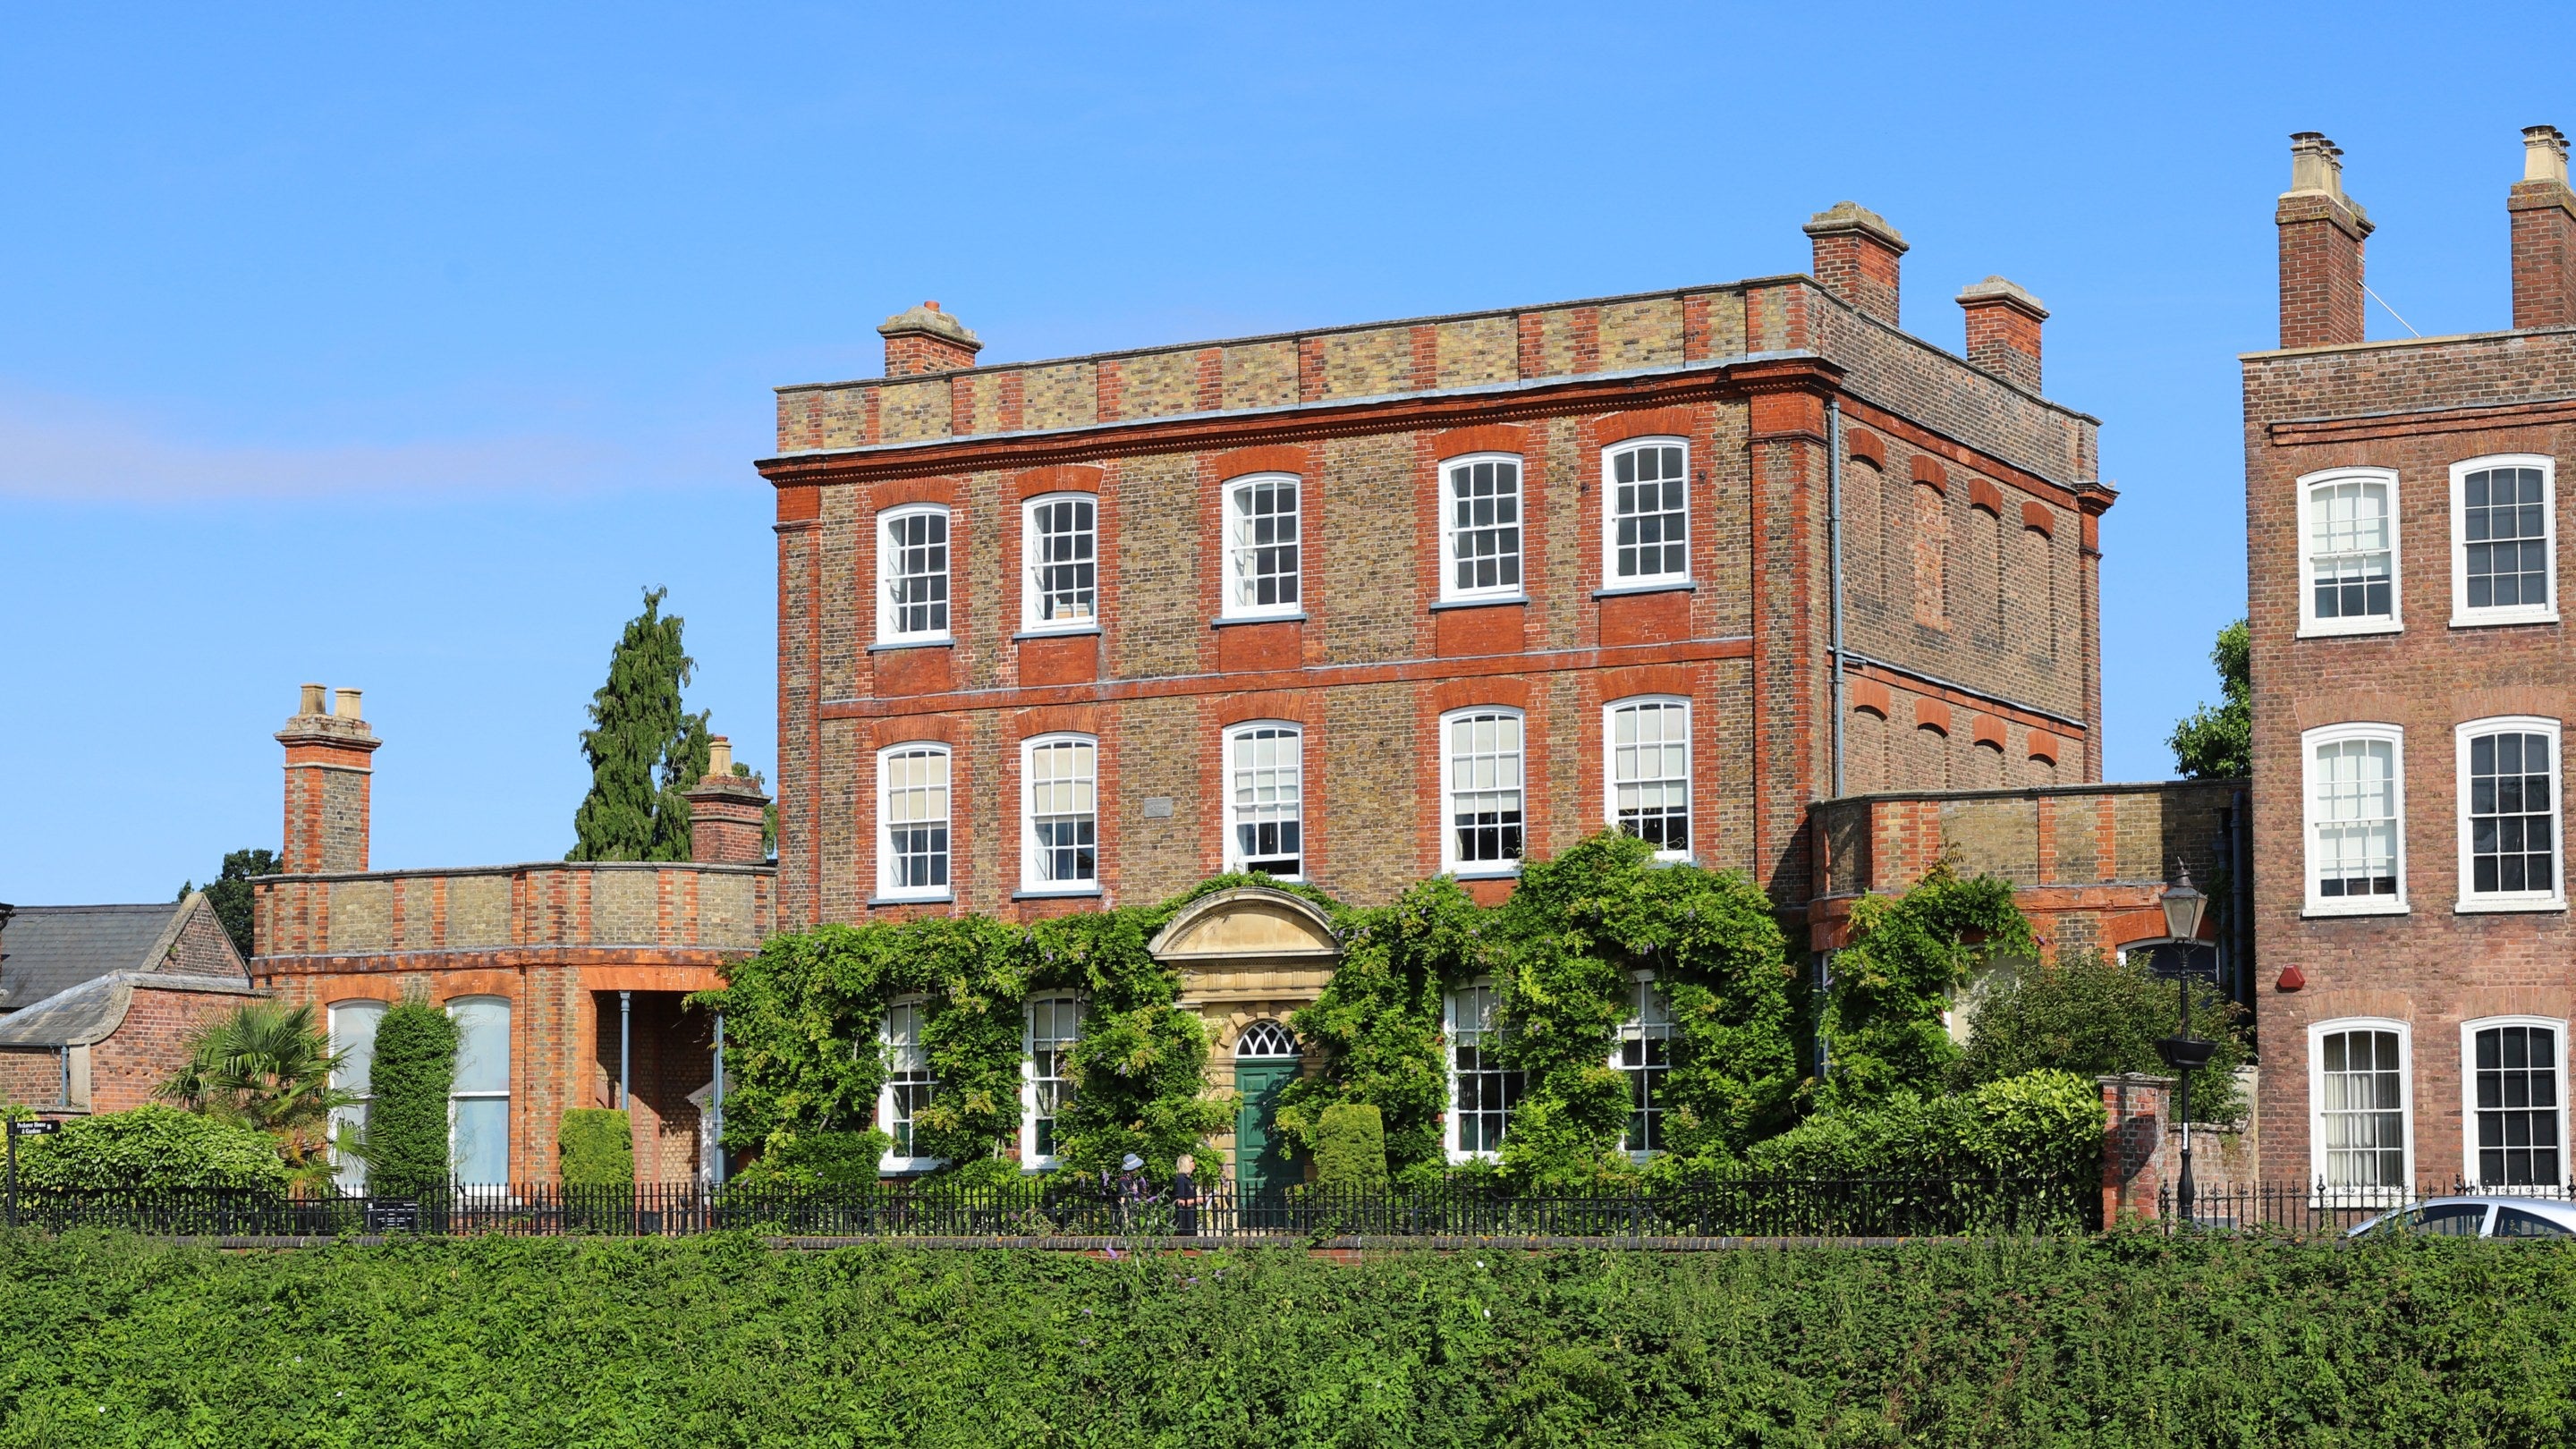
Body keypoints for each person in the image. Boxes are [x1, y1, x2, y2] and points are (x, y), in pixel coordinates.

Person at [1172, 1153, 1199, 1238]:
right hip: (1184, 1220)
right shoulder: (1181, 1179)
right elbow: (1180, 1201)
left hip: (1190, 1218)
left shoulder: (1188, 1180)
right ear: (1187, 1164)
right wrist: (1197, 1200)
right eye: (1192, 1161)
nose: (1194, 1163)